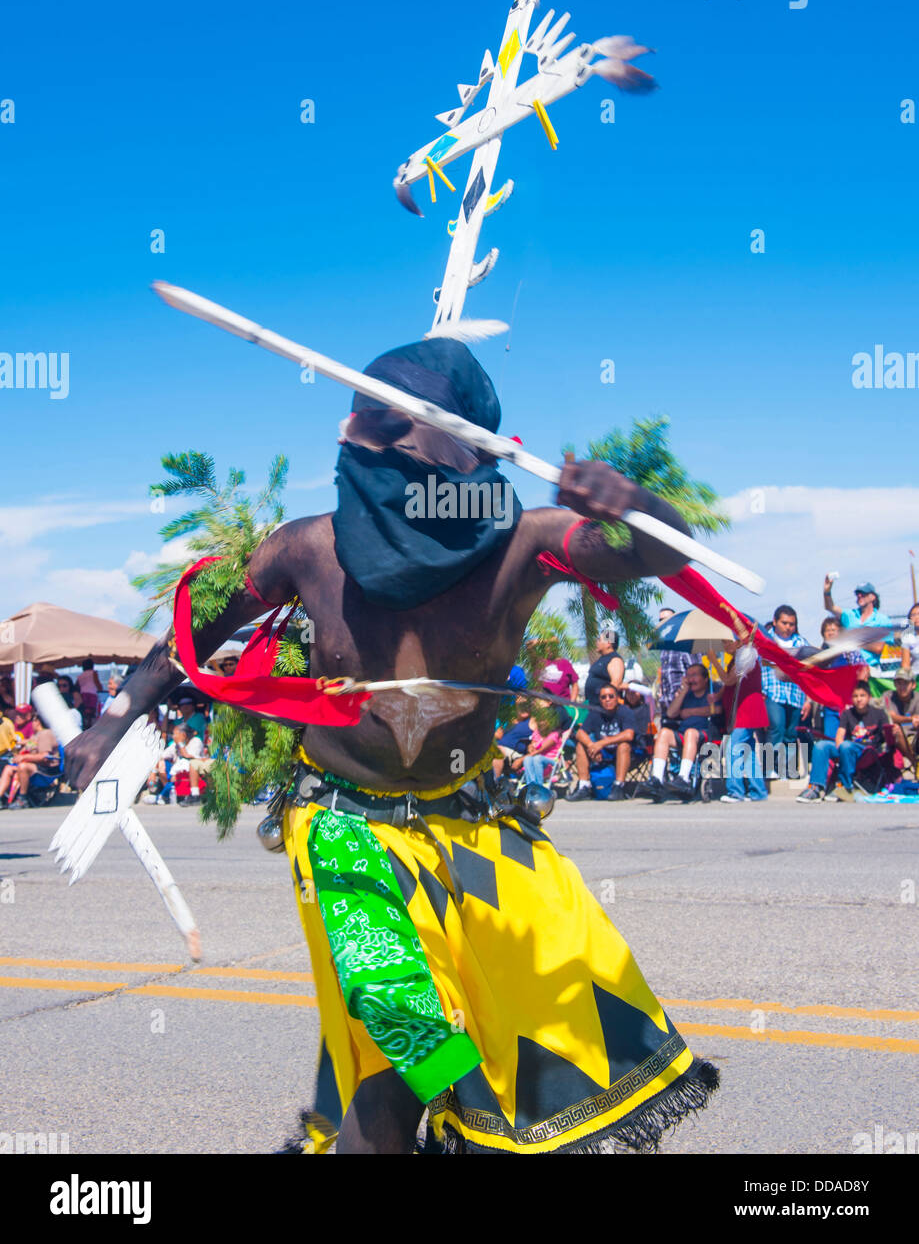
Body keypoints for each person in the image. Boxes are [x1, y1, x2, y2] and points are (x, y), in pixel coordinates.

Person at [65, 336, 718, 1156]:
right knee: (404, 1042)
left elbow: (663, 553)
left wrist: (631, 502)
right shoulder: (310, 548)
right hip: (340, 826)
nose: (347, 435)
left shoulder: (523, 542)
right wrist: (111, 717)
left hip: (474, 823)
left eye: (381, 420)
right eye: (351, 416)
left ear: (457, 444)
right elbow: (194, 632)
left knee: (525, 1044)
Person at [798, 681, 888, 803]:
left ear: (869, 697)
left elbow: (886, 735)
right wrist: (840, 747)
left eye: (862, 696)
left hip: (867, 751)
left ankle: (844, 786)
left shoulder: (879, 714)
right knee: (821, 745)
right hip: (847, 748)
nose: (859, 699)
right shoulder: (847, 713)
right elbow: (840, 735)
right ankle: (815, 787)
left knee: (847, 746)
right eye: (855, 696)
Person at [650, 663, 723, 798]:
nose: (690, 679)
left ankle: (684, 777)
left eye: (694, 675)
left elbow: (717, 710)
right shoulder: (686, 694)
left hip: (706, 732)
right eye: (688, 675)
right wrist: (683, 692)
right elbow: (671, 713)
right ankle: (657, 779)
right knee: (664, 733)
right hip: (684, 733)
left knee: (690, 732)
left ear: (705, 678)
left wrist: (689, 712)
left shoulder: (713, 691)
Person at [759, 605, 810, 780]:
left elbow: (808, 674)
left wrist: (808, 700)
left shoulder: (801, 644)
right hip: (772, 692)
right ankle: (769, 767)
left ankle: (789, 768)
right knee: (776, 727)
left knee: (791, 733)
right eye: (784, 623)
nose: (788, 627)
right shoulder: (766, 641)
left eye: (792, 624)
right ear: (775, 622)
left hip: (795, 694)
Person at [715, 649, 769, 803]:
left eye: (728, 642)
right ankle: (758, 791)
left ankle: (736, 791)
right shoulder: (735, 659)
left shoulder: (746, 655)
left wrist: (714, 660)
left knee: (734, 747)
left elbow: (728, 680)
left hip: (747, 711)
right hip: (740, 710)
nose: (726, 646)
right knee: (747, 751)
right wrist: (717, 696)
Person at [571, 685, 636, 801]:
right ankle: (584, 786)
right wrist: (592, 746)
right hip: (602, 752)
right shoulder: (596, 713)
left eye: (611, 696)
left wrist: (602, 743)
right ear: (600, 700)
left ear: (617, 698)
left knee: (624, 745)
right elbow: (580, 733)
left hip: (622, 753)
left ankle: (619, 786)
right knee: (581, 745)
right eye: (603, 697)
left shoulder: (625, 711)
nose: (607, 699)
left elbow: (629, 734)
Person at [822, 577, 893, 670]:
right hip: (849, 668)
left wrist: (854, 639)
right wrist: (827, 591)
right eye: (857, 594)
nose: (859, 596)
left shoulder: (882, 620)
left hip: (870, 669)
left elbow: (879, 648)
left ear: (873, 597)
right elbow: (830, 607)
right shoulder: (850, 615)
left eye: (863, 594)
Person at [0, 721, 59, 808]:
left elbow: (45, 756)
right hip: (35, 766)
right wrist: (18, 755)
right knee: (8, 768)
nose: (31, 723)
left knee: (23, 767)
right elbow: (26, 749)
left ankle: (22, 799)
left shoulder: (45, 734)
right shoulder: (35, 736)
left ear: (38, 722)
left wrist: (24, 758)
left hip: (46, 769)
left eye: (33, 721)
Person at [654, 607, 702, 714]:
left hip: (684, 703)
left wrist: (682, 691)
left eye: (667, 619)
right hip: (666, 703)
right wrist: (661, 691)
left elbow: (697, 673)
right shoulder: (664, 646)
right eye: (660, 620)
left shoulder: (684, 644)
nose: (664, 623)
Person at [881, 669, 918, 773]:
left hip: (913, 737)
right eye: (898, 683)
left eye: (905, 683)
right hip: (892, 738)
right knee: (896, 728)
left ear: (913, 685)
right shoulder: (888, 696)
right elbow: (890, 716)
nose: (902, 687)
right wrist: (911, 719)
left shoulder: (917, 698)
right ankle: (914, 762)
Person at [583, 627, 624, 706]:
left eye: (599, 640)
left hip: (603, 710)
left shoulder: (615, 660)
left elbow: (615, 685)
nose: (597, 642)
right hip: (592, 706)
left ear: (608, 643)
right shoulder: (602, 659)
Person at [77, 658, 103, 724]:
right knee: (92, 711)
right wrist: (100, 689)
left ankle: (86, 723)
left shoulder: (80, 676)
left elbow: (77, 685)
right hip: (92, 693)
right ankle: (90, 724)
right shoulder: (93, 673)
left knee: (85, 710)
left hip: (83, 694)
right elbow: (97, 682)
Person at [900, 603, 919, 675]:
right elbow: (905, 665)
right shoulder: (908, 638)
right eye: (913, 615)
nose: (916, 617)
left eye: (918, 613)